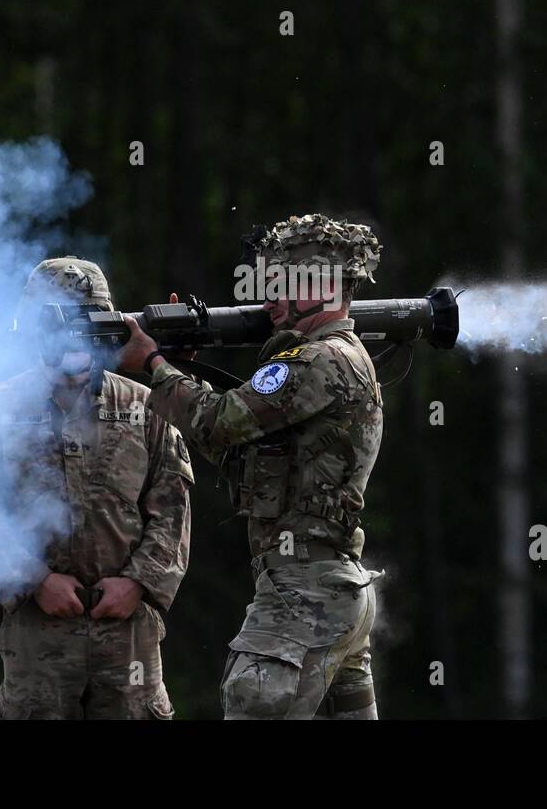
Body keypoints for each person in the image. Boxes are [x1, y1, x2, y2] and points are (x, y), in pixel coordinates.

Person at [117, 214, 385, 719]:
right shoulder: (344, 355)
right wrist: (181, 365)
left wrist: (154, 365)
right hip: (336, 592)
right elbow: (241, 445)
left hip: (301, 598)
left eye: (282, 286)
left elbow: (218, 423)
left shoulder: (315, 361)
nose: (269, 302)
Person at [0, 257, 192, 719]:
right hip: (37, 637)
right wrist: (34, 580)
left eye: (90, 324)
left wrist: (137, 583)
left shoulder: (146, 407)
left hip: (128, 636)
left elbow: (173, 507)